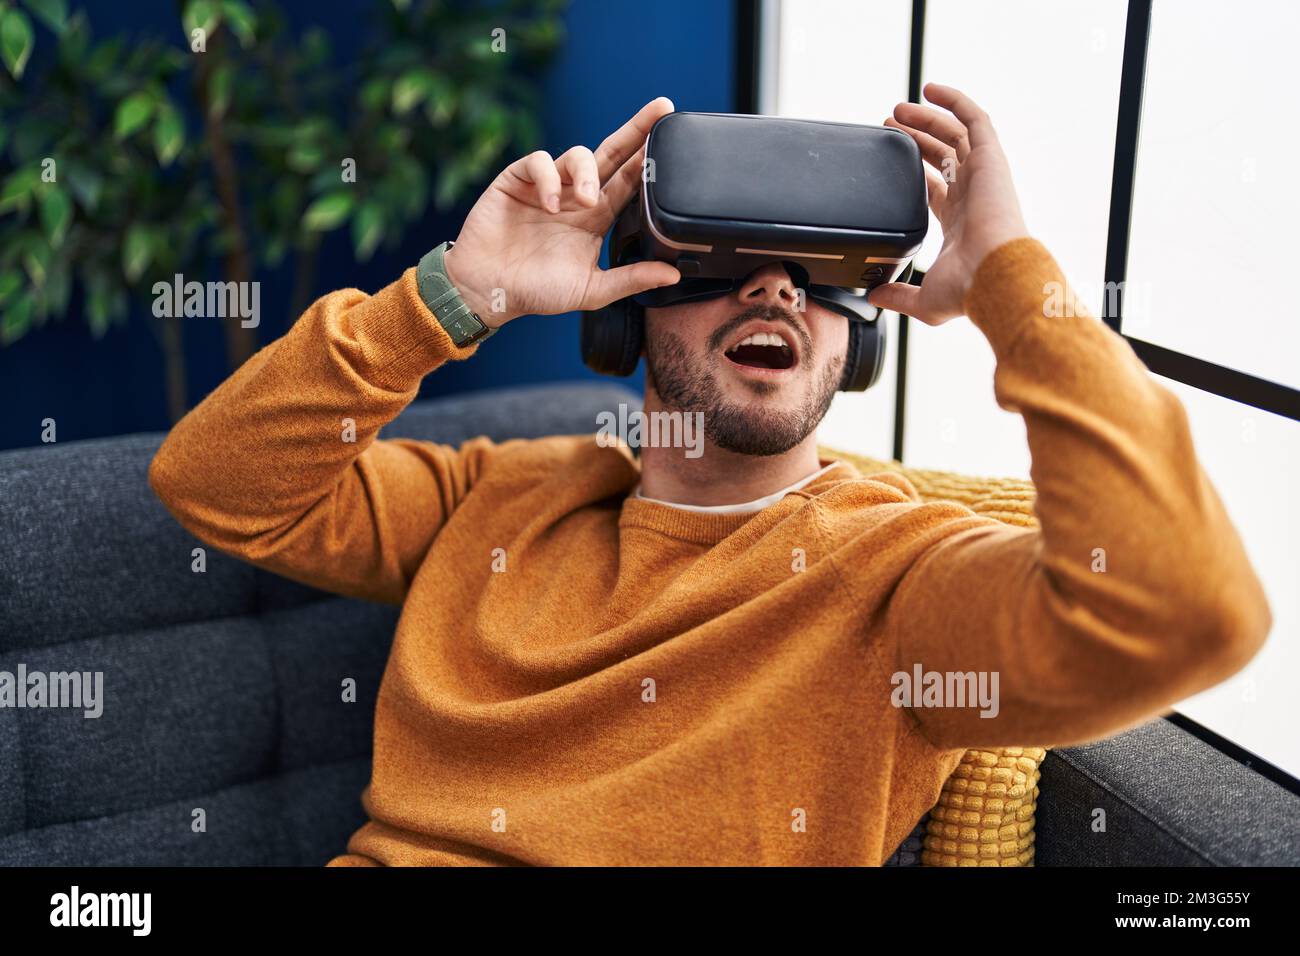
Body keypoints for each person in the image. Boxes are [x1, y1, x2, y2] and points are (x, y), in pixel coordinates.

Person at [148, 83, 1271, 866]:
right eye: (725, 259)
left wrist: (1012, 283)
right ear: (628, 317)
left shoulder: (902, 577)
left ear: (859, 341)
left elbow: (1185, 610)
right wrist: (455, 295)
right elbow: (214, 483)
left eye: (822, 275)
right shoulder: (500, 497)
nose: (777, 291)